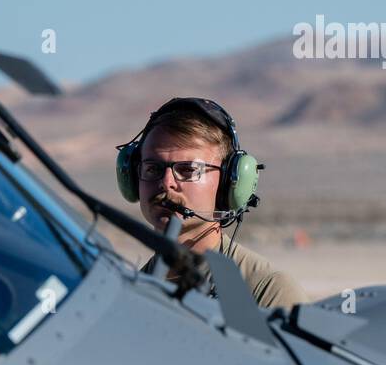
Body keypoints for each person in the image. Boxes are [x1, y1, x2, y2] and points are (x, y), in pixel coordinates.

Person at [116, 97, 308, 309]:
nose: (166, 183)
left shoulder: (265, 291)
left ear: (229, 182)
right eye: (152, 169)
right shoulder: (128, 294)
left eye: (188, 170)